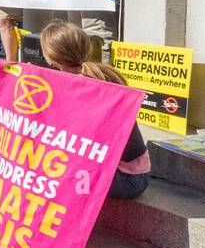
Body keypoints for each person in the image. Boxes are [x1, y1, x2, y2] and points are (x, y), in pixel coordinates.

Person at [39, 21, 149, 199]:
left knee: (51, 175)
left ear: (50, 56)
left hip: (128, 177)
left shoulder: (88, 87)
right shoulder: (82, 79)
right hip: (123, 170)